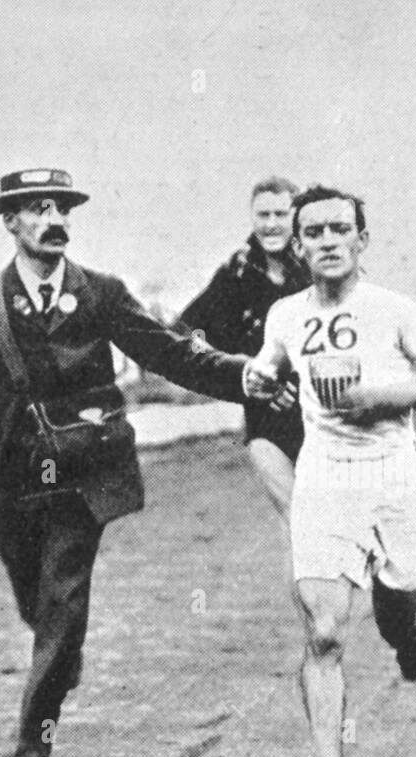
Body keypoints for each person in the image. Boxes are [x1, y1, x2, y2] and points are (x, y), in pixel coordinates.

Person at [0, 168, 280, 757]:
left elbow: (171, 351)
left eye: (61, 208)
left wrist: (242, 375)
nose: (53, 220)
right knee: (37, 604)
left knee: (63, 600)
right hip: (10, 478)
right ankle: (61, 657)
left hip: (81, 474)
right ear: (10, 223)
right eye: (37, 210)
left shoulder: (101, 292)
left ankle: (32, 745)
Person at [245, 185, 416, 757]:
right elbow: (268, 369)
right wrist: (262, 378)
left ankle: (408, 634)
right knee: (323, 631)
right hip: (324, 478)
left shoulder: (393, 310)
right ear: (297, 247)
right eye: (312, 232)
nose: (326, 241)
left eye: (339, 229)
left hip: (394, 475)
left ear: (362, 241)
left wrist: (385, 396)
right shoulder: (286, 315)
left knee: (396, 606)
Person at [178, 176, 309, 524]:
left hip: (321, 416)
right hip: (266, 419)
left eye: (281, 214)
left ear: (296, 217)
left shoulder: (317, 268)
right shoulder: (235, 273)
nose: (271, 225)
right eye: (262, 215)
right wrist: (237, 374)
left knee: (327, 526)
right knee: (298, 520)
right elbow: (185, 332)